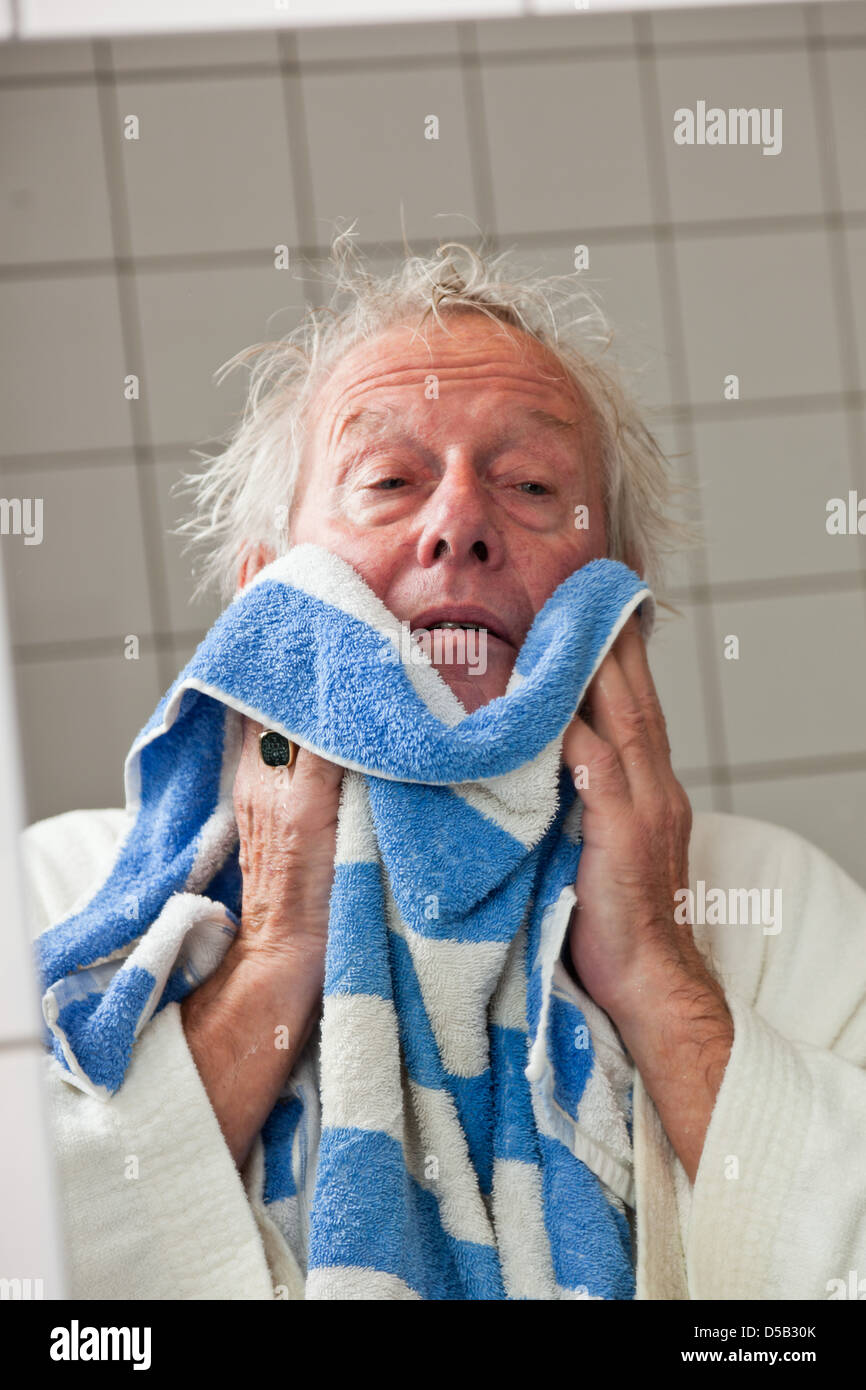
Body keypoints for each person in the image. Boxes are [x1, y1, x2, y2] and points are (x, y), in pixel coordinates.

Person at [22, 233, 866, 1300]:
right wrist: (273, 955)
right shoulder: (54, 896)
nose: (458, 523)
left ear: (613, 596)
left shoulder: (777, 909)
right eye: (385, 478)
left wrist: (656, 970)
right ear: (264, 598)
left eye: (527, 483)